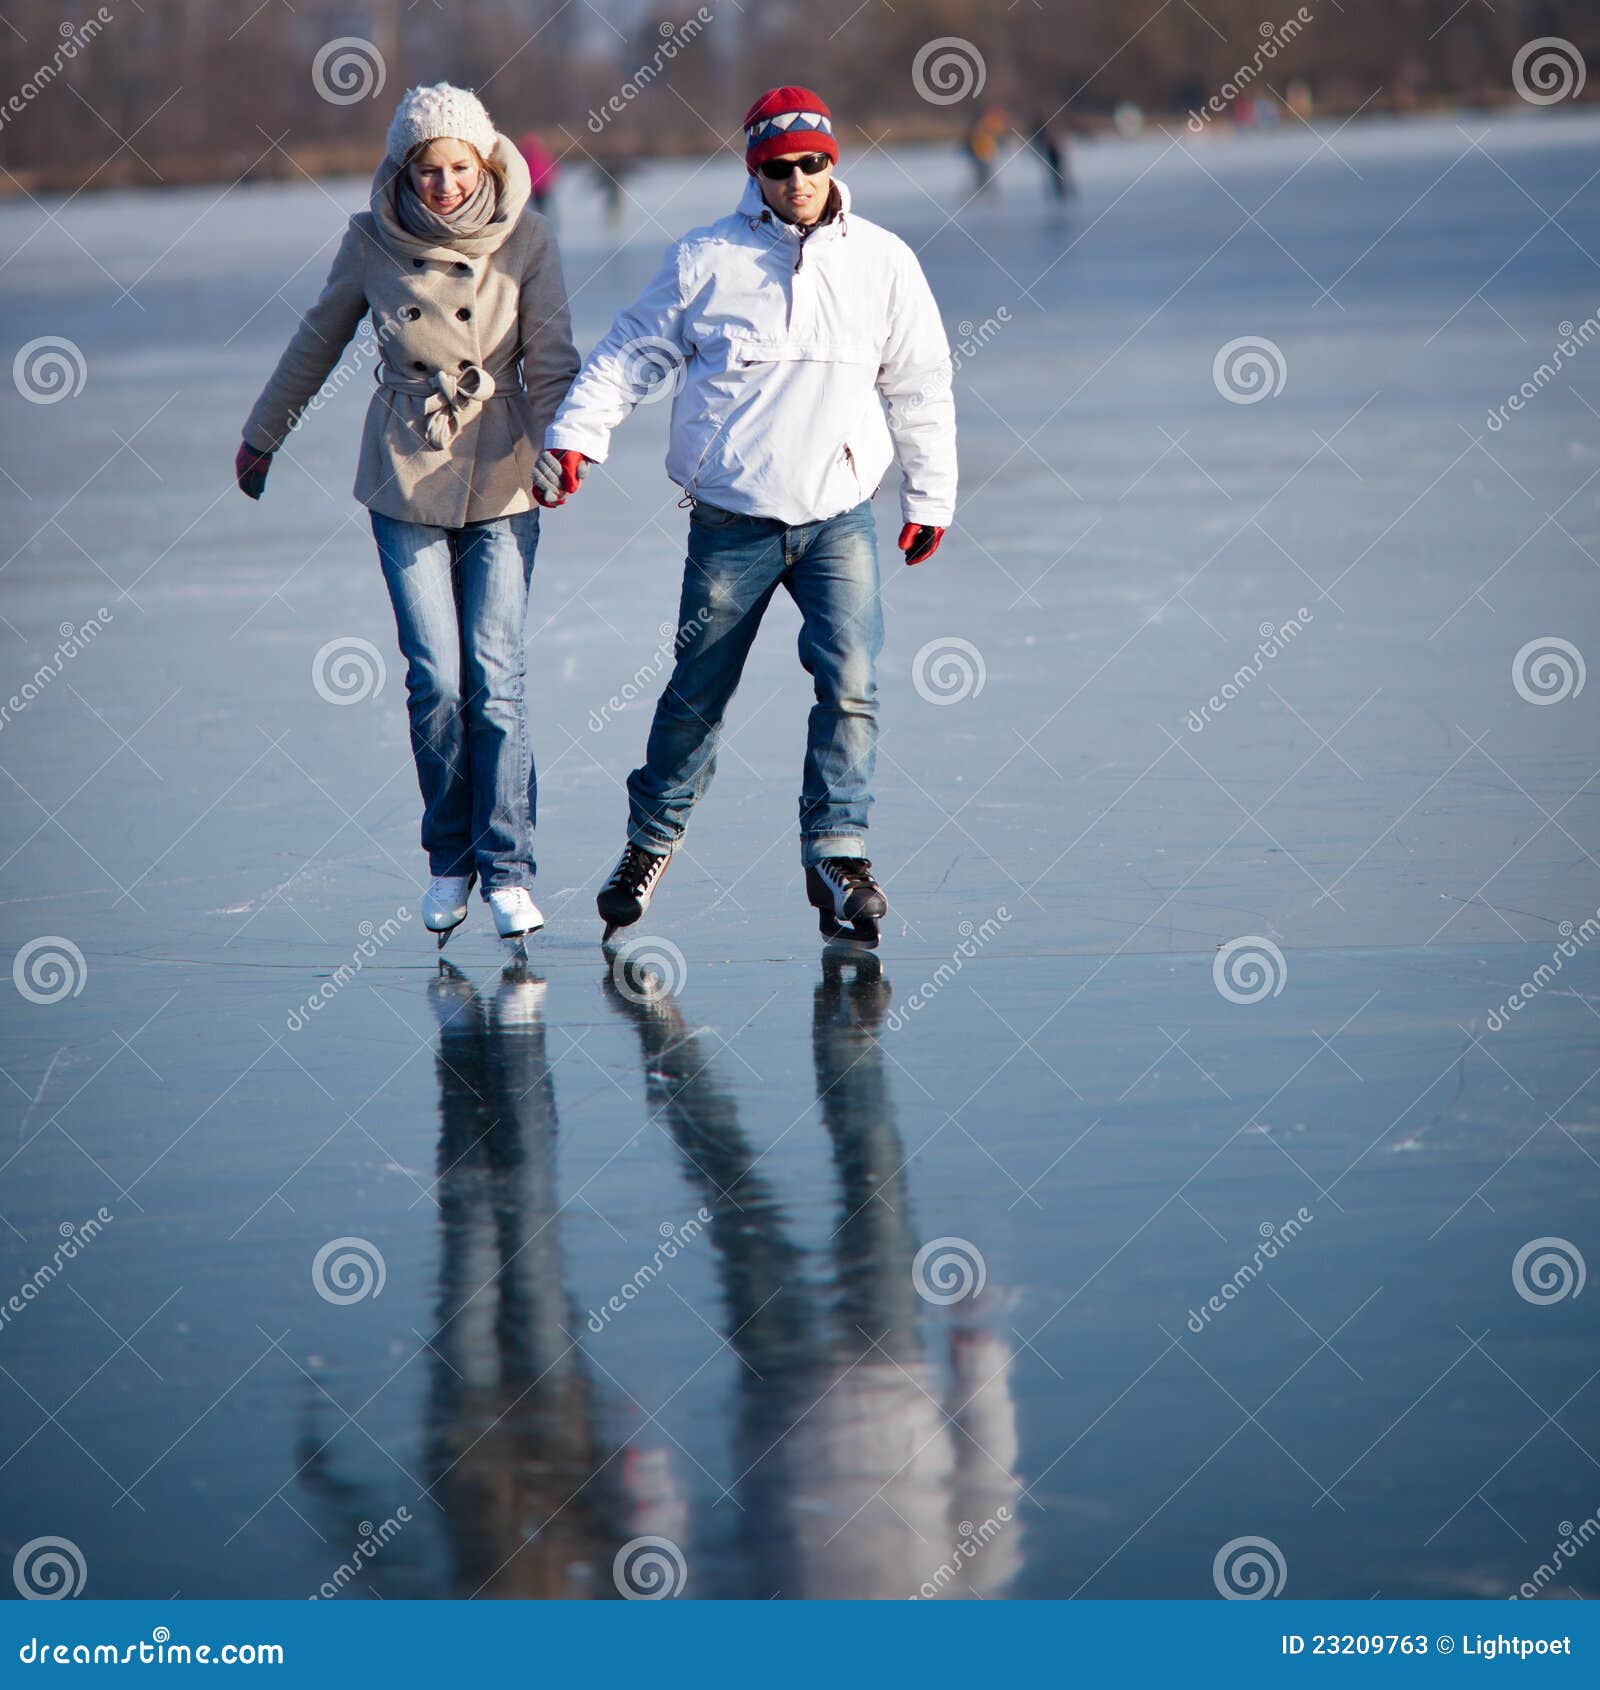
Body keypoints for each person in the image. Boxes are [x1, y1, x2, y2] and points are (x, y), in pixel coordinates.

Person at [533, 86, 957, 948]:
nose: (798, 178)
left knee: (850, 684)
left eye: (812, 162)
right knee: (698, 693)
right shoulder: (706, 259)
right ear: (754, 170)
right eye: (778, 166)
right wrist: (579, 436)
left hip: (840, 515)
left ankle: (838, 851)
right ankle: (648, 844)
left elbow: (918, 384)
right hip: (732, 520)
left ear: (833, 162)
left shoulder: (883, 261)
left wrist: (930, 494)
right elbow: (630, 355)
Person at [235, 84, 580, 946]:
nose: (445, 184)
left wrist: (562, 446)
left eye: (459, 165)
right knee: (436, 677)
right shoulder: (370, 240)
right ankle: (449, 859)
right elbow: (317, 337)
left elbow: (552, 358)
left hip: (502, 471)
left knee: (496, 678)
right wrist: (262, 435)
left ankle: (506, 868)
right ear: (405, 169)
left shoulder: (528, 240)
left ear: (486, 162)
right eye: (428, 168)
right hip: (405, 470)